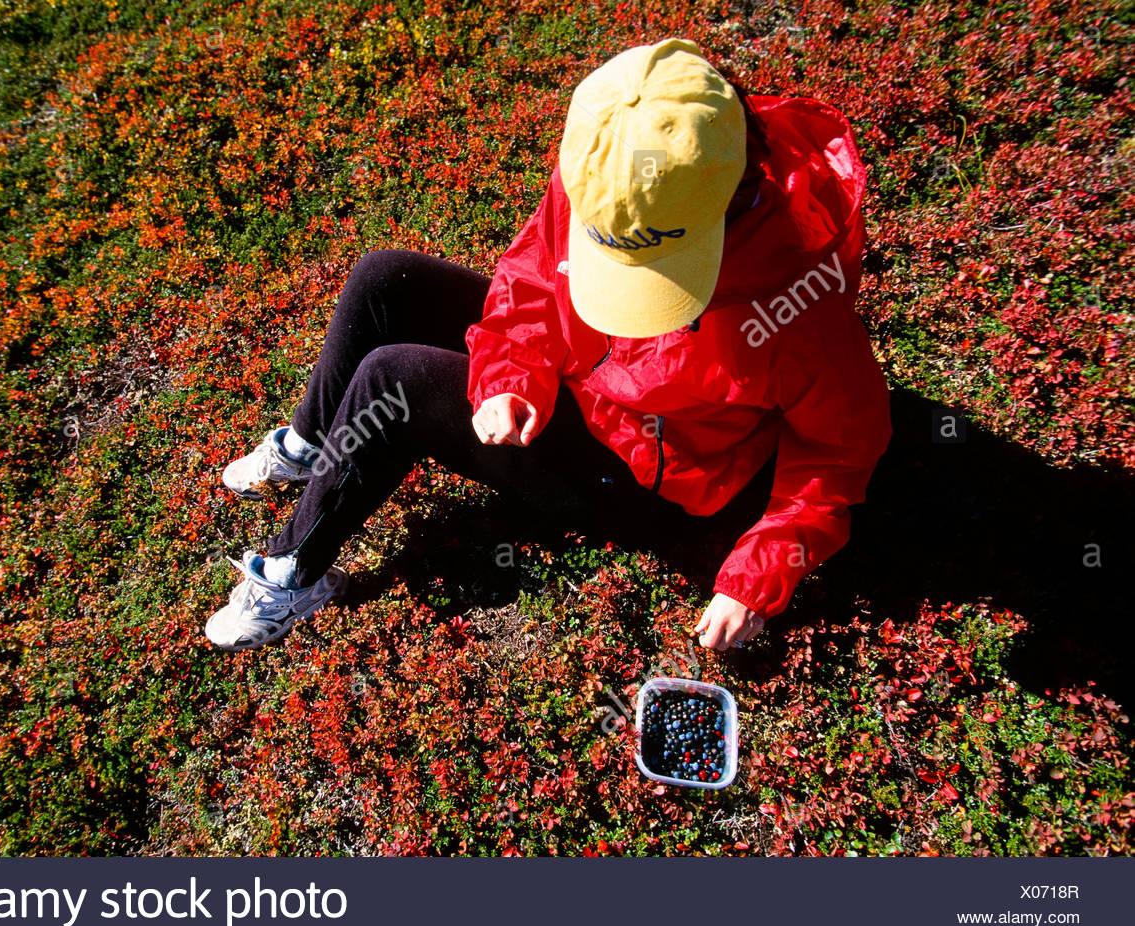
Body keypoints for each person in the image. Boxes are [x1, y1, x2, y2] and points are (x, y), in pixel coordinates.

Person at [204, 38, 892, 654]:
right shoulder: (617, 163)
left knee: (397, 381)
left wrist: (756, 578)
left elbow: (838, 454)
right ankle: (307, 444)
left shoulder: (797, 304)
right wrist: (511, 373)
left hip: (640, 473)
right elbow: (533, 280)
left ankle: (291, 571)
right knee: (385, 279)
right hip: (582, 379)